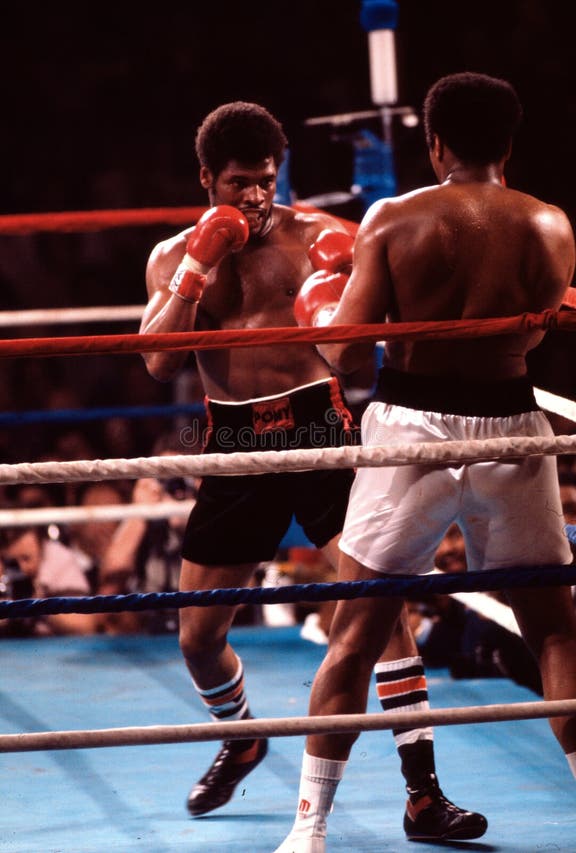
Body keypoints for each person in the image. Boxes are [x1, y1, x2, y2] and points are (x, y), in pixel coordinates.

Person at [139, 100, 485, 839]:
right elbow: (158, 358)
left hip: (320, 426)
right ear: (206, 177)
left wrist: (334, 314)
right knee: (198, 636)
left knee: (377, 608)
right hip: (234, 442)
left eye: (265, 180)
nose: (255, 198)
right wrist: (200, 264)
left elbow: (357, 354)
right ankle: (241, 735)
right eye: (238, 184)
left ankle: (423, 790)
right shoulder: (172, 257)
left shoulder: (324, 238)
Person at [275, 71, 576, 852]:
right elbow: (537, 335)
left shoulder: (394, 219)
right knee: (553, 630)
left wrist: (320, 302)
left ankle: (308, 832)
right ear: (508, 144)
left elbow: (339, 348)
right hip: (515, 424)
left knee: (358, 630)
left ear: (434, 141)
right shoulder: (550, 225)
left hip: (412, 429)